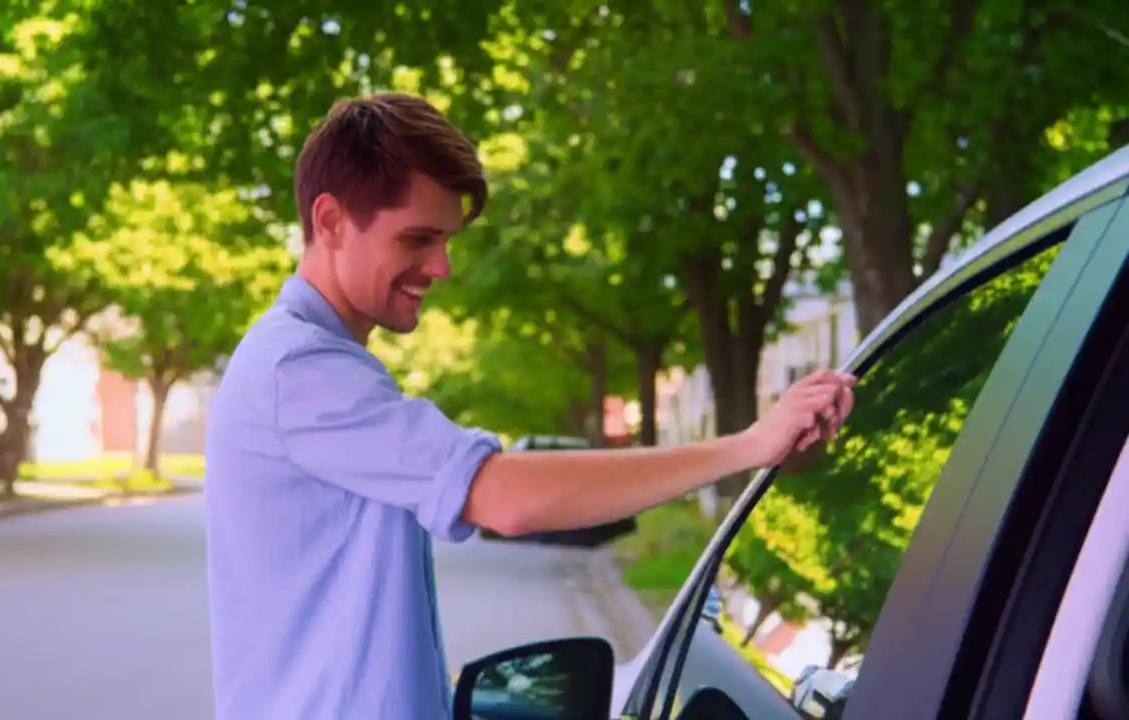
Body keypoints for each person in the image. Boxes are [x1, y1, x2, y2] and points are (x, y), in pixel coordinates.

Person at [203, 92, 856, 720]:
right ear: (330, 221)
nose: (442, 267)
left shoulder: (310, 363)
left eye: (446, 240)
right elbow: (503, 498)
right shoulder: (300, 370)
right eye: (416, 239)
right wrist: (747, 447)